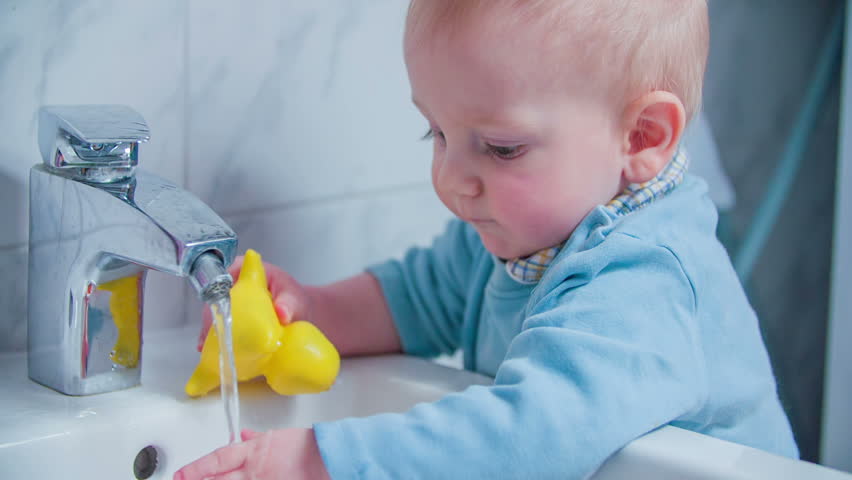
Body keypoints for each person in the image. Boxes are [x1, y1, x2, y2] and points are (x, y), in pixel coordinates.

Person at [175, 0, 798, 478]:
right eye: (436, 134)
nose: (450, 179)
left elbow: (535, 432)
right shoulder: (525, 233)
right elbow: (418, 298)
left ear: (640, 138)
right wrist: (314, 308)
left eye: (502, 148)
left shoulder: (646, 277)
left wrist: (319, 460)